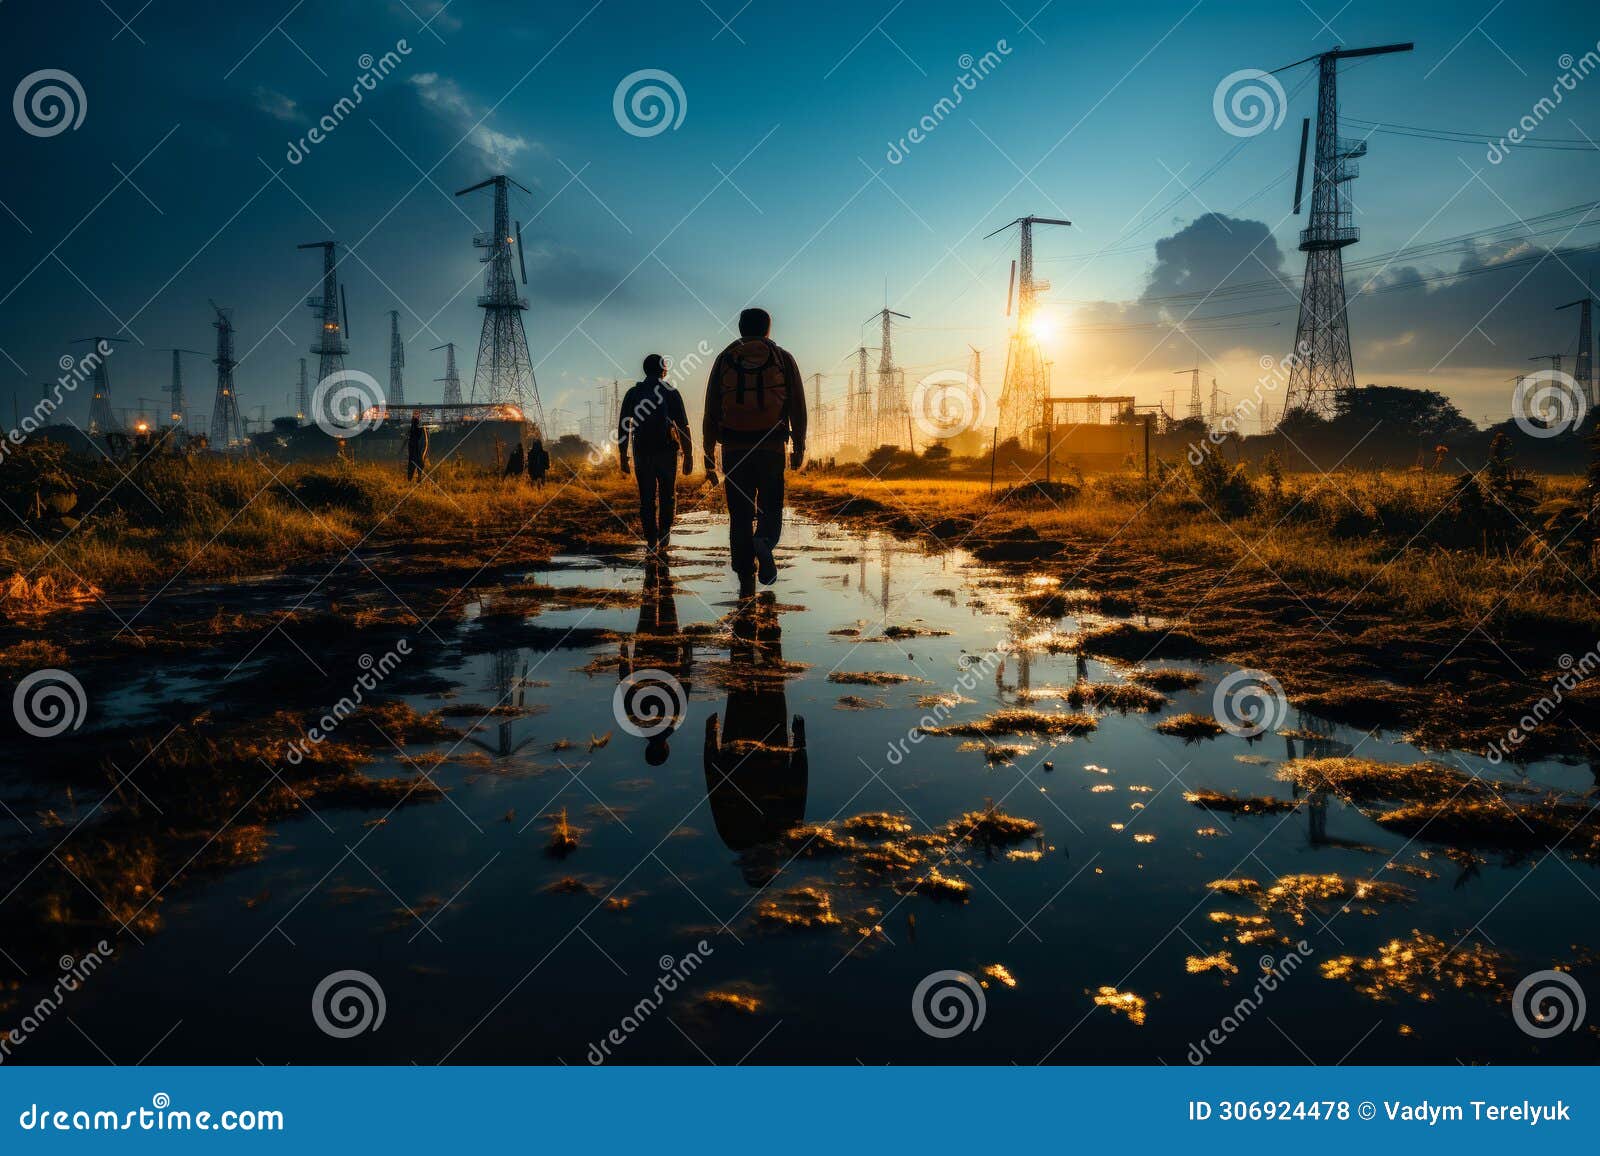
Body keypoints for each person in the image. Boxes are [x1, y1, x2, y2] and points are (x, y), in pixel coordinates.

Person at [703, 594, 807, 887]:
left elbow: (715, 786)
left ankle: (758, 618)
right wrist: (800, 744)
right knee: (756, 676)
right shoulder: (749, 836)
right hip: (753, 742)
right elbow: (715, 784)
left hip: (750, 743)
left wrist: (799, 743)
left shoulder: (753, 836)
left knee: (759, 676)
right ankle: (757, 618)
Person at [703, 308, 806, 597]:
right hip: (771, 447)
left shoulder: (725, 359)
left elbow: (711, 409)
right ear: (768, 329)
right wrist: (799, 445)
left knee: (739, 513)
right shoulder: (783, 359)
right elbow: (797, 405)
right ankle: (764, 540)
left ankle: (744, 573)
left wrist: (708, 454)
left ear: (739, 328)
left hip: (734, 449)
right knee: (771, 506)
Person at [618, 354, 692, 554]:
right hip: (667, 453)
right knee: (667, 497)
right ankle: (664, 538)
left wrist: (623, 456)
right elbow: (683, 426)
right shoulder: (671, 392)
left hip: (642, 453)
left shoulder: (634, 393)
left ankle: (651, 541)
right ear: (663, 370)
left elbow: (624, 427)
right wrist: (689, 454)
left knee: (647, 499)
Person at [405, 411, 428, 482]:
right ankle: (417, 478)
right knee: (417, 462)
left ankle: (413, 478)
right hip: (416, 448)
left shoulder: (415, 428)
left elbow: (415, 437)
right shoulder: (419, 428)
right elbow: (422, 439)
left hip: (415, 448)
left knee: (413, 463)